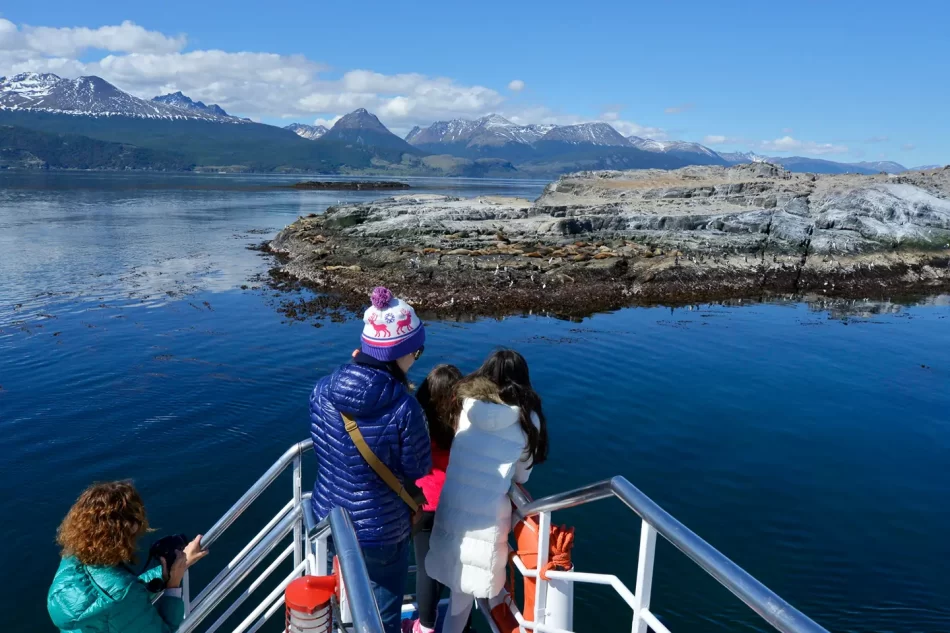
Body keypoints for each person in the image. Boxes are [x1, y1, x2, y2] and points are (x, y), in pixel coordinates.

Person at [309, 286, 432, 633]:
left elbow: (323, 445)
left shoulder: (321, 390)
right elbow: (418, 468)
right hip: (382, 527)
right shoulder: (405, 407)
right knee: (383, 614)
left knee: (336, 597)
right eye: (416, 351)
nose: (416, 358)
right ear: (400, 353)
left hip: (330, 517)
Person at [425, 350, 549, 633]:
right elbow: (522, 475)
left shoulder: (468, 406)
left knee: (459, 594)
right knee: (472, 590)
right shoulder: (527, 419)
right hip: (487, 518)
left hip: (454, 505)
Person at [47, 481, 208, 633]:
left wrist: (165, 572)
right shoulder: (123, 594)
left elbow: (111, 594)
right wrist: (173, 584)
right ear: (129, 528)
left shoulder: (70, 559)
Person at [403, 364, 464, 633]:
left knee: (426, 567)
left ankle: (425, 627)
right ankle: (460, 623)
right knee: (454, 566)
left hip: (424, 502)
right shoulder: (464, 423)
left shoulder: (417, 421)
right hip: (455, 502)